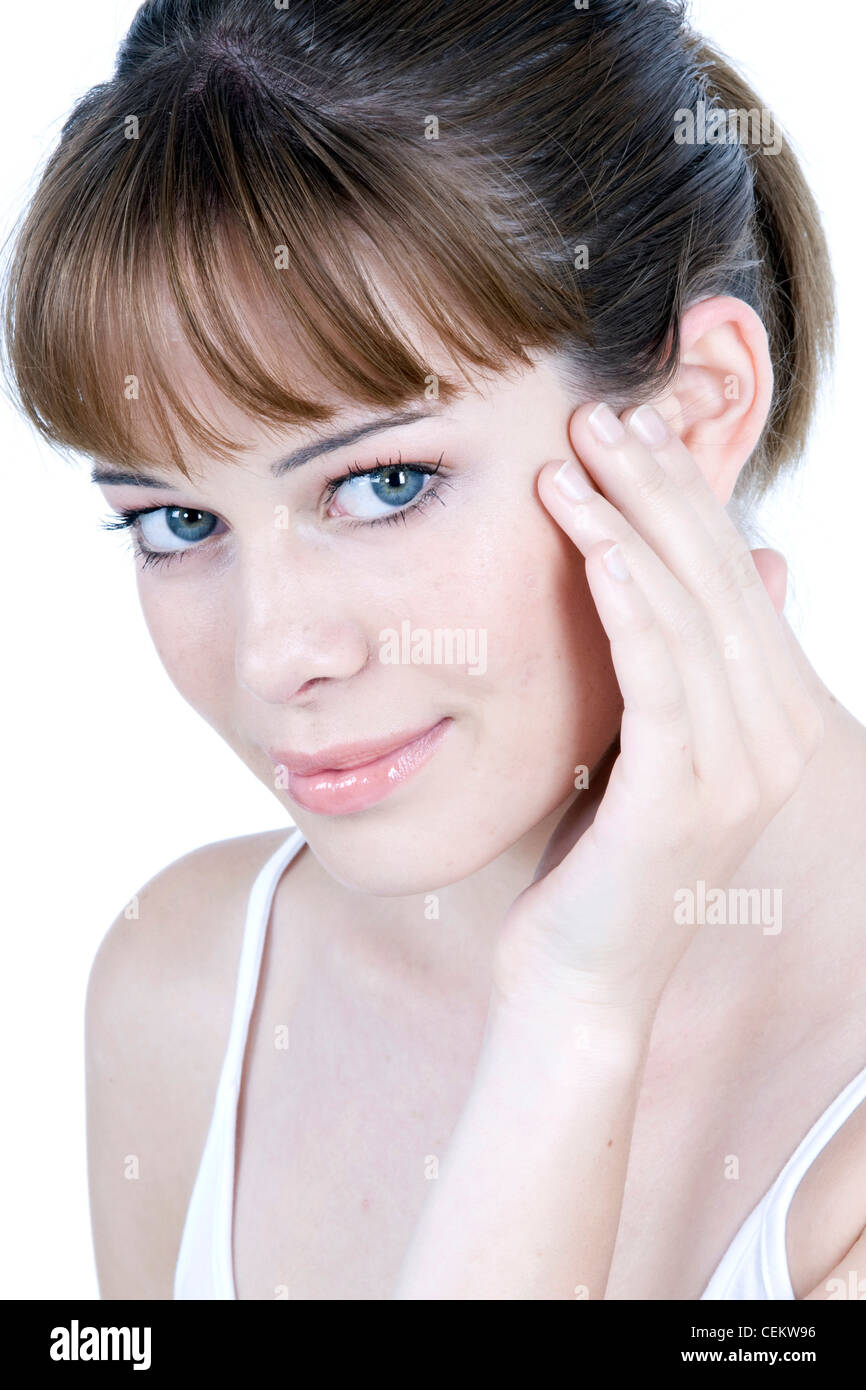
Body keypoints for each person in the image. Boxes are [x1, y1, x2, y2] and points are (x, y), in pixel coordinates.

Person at [3, 0, 864, 1300]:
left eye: (384, 484)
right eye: (177, 521)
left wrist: (573, 1016)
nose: (275, 654)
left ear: (692, 419)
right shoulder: (188, 986)